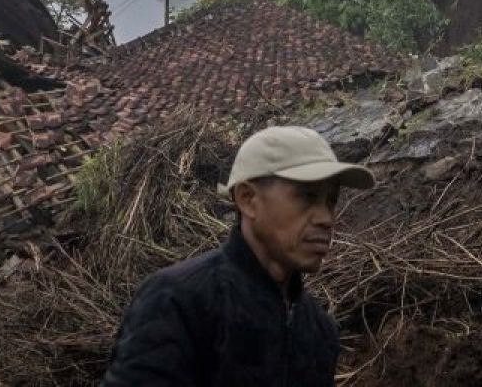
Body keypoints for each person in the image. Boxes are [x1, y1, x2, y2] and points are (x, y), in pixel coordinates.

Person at [98, 125, 375, 387]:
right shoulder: (179, 302)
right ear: (247, 199)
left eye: (331, 201)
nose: (326, 218)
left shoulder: (319, 332)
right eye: (307, 196)